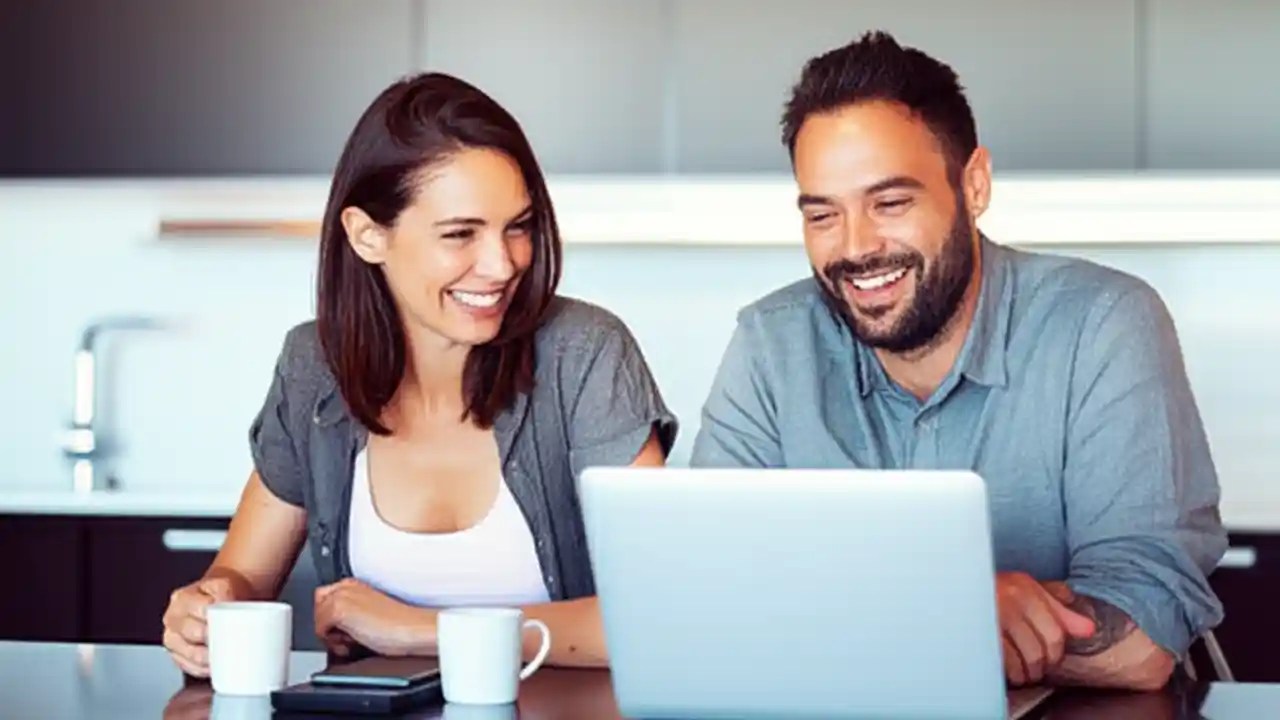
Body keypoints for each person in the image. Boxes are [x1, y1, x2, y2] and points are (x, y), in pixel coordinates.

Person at [690, 31, 1225, 691]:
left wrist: (831, 617)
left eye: (890, 203)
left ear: (973, 186)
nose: (855, 248)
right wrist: (957, 612)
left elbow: (1143, 640)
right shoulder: (770, 346)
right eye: (823, 214)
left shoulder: (1103, 324)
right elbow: (708, 597)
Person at [161, 72, 676, 677]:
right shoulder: (314, 369)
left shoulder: (584, 354)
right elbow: (241, 576)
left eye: (518, 226)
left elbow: (657, 614)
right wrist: (206, 609)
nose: (502, 263)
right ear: (368, 235)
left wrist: (418, 631)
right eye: (461, 234)